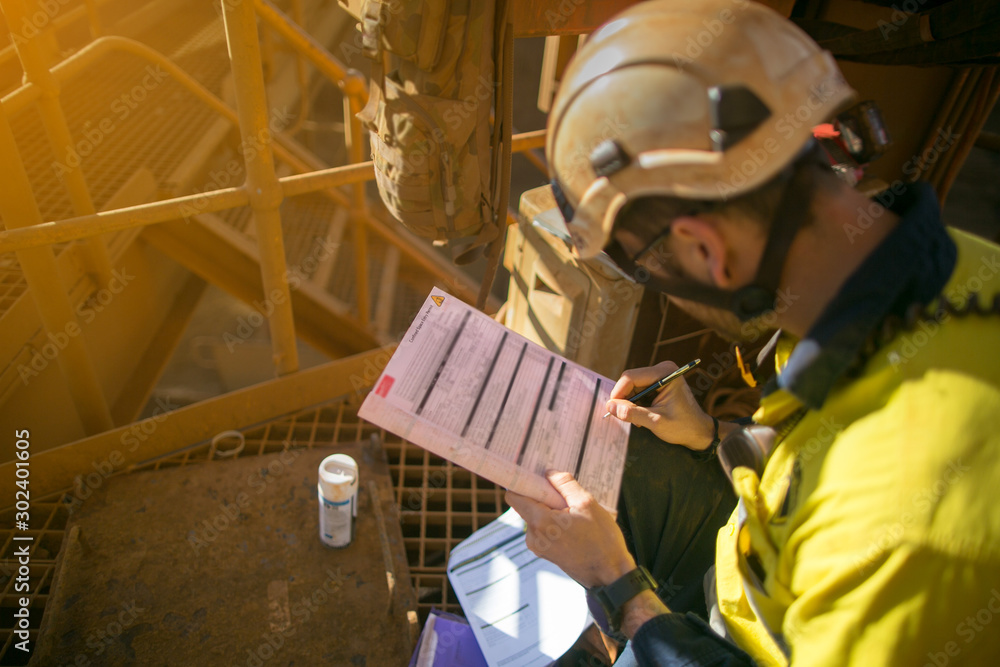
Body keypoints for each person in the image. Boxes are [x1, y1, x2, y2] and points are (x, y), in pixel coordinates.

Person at [503, 1, 1000, 664]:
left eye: (649, 269)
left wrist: (621, 588)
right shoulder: (952, 264)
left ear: (705, 249)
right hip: (758, 570)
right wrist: (714, 439)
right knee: (616, 455)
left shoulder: (897, 531)